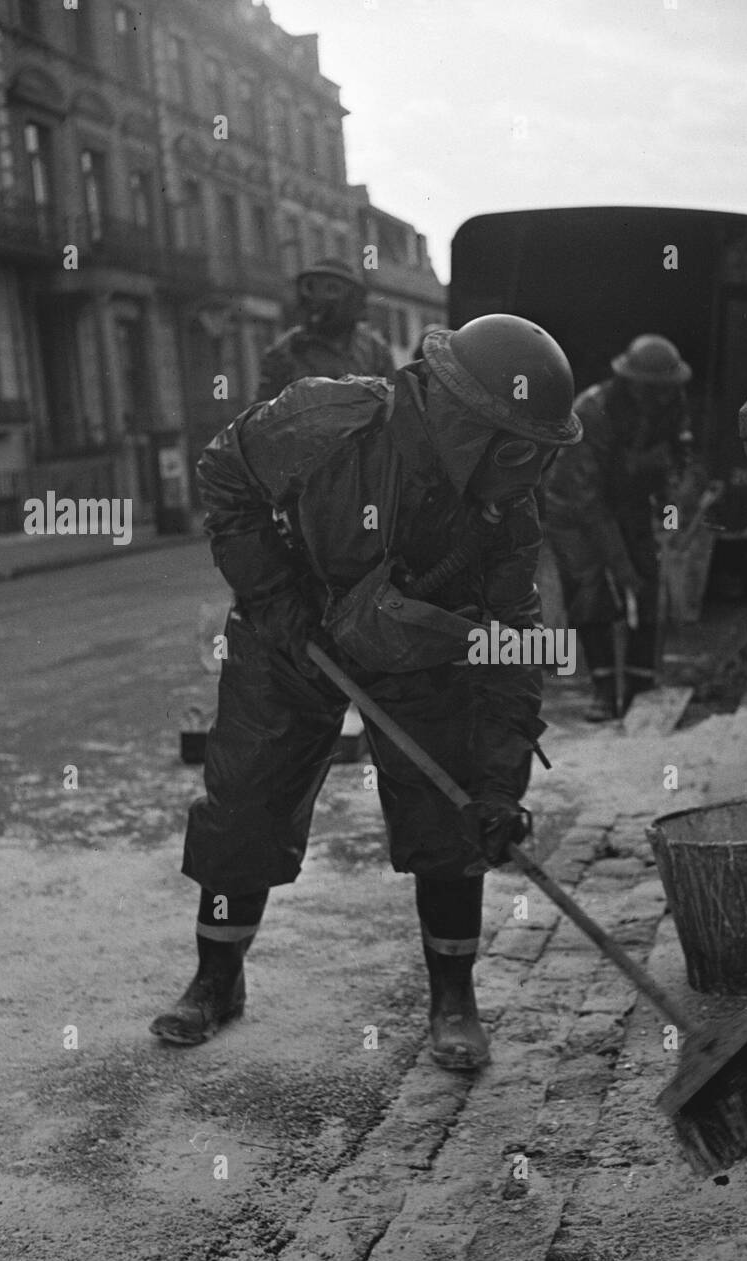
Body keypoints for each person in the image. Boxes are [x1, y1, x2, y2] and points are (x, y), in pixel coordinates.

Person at [151, 315, 583, 1071]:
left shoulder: (506, 512)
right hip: (294, 631)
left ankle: (454, 999)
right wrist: (277, 596)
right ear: (463, 420)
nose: (530, 472)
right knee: (246, 805)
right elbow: (226, 476)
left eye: (540, 453)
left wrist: (496, 781)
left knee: (451, 815)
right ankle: (215, 980)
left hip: (420, 646)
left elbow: (512, 639)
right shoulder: (329, 418)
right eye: (519, 449)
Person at [542, 334, 702, 720]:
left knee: (648, 585)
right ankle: (603, 692)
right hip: (574, 510)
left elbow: (678, 459)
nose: (664, 397)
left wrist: (672, 504)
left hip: (627, 502)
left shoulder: (672, 403)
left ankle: (640, 688)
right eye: (656, 390)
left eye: (669, 390)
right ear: (633, 383)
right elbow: (588, 503)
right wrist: (621, 568)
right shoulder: (592, 412)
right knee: (590, 590)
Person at [255, 259, 395, 400]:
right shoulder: (285, 351)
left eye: (333, 289)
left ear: (353, 299)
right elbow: (264, 411)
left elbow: (395, 403)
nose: (319, 300)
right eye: (311, 287)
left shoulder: (374, 349)